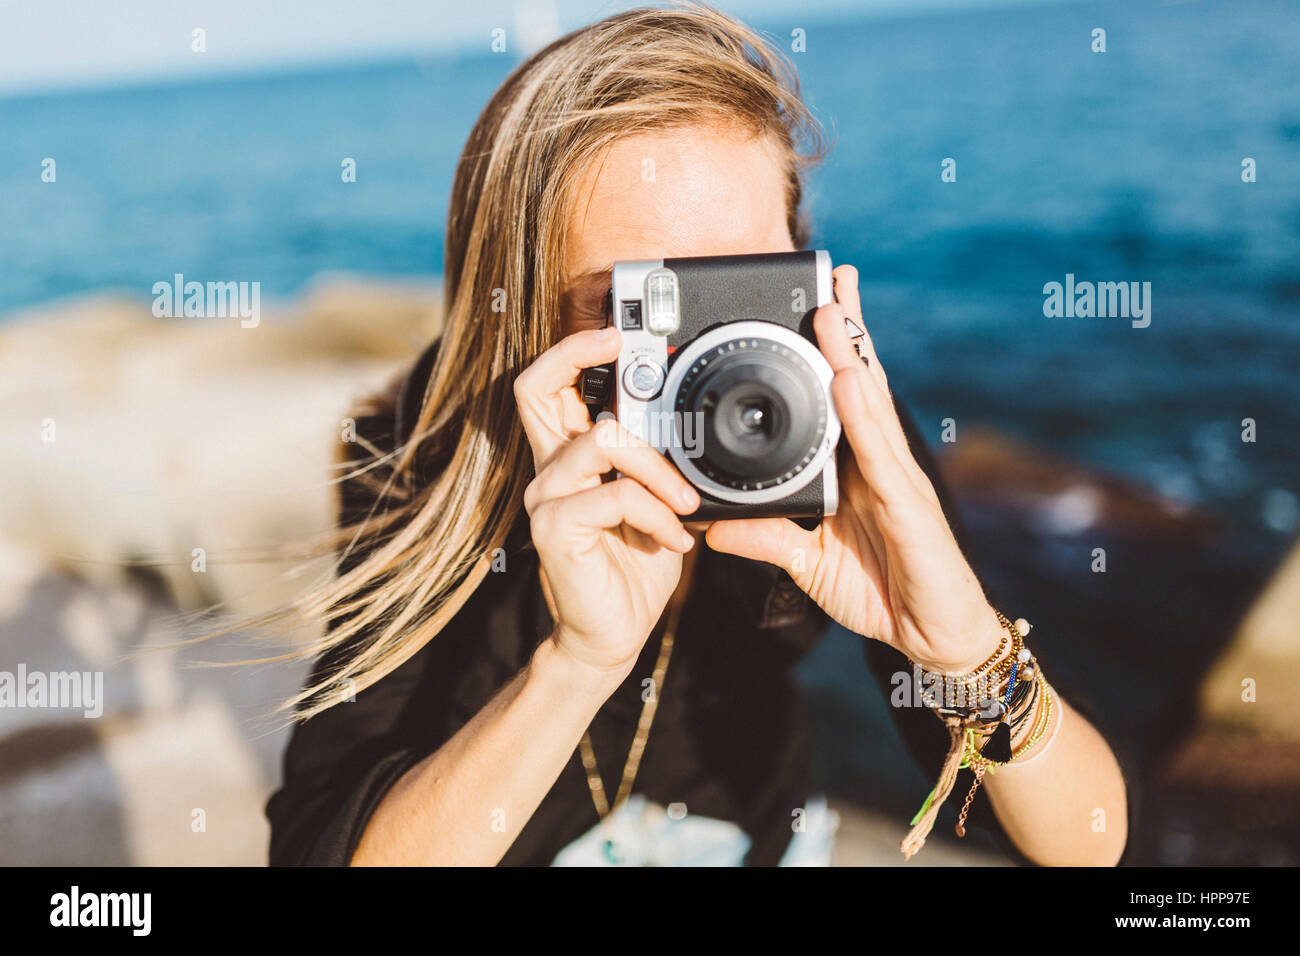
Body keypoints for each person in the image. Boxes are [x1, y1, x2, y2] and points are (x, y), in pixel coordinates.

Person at [266, 4, 1128, 867]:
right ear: (520, 311)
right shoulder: (430, 442)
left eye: (747, 285)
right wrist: (576, 665)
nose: (714, 358)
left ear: (801, 261)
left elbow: (1086, 847)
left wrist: (963, 650)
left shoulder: (828, 429)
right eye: (645, 303)